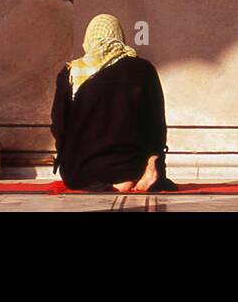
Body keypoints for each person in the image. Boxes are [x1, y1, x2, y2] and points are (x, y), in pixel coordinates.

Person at [50, 13, 174, 192]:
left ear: (88, 39)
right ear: (120, 38)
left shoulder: (70, 72)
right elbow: (156, 122)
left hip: (80, 172)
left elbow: (59, 126)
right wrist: (156, 157)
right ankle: (145, 172)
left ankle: (115, 182)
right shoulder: (143, 70)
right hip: (132, 164)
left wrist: (68, 156)